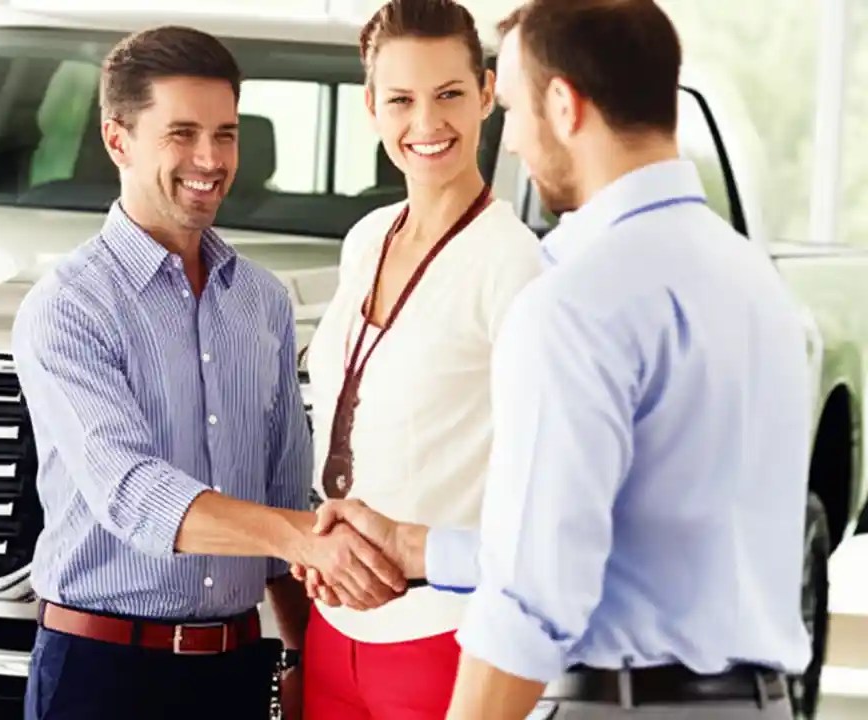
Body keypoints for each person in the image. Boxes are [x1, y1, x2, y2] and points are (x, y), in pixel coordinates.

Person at [308, 1, 813, 718]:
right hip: (754, 703)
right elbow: (624, 534)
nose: (511, 140)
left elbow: (534, 592)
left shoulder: (575, 299)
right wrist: (421, 549)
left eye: (512, 107)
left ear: (564, 106)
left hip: (615, 702)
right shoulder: (753, 281)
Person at [10, 25, 406, 720]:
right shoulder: (69, 306)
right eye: (182, 133)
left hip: (236, 673)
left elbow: (283, 488)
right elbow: (132, 492)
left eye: (226, 134)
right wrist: (306, 538)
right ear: (117, 140)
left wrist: (303, 657)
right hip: (102, 676)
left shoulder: (262, 301)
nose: (210, 159)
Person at [290, 1, 543, 718]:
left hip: (444, 637)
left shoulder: (514, 265)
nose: (426, 123)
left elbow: (540, 486)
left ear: (488, 94)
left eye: (450, 94)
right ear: (371, 106)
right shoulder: (367, 237)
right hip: (336, 627)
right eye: (401, 99)